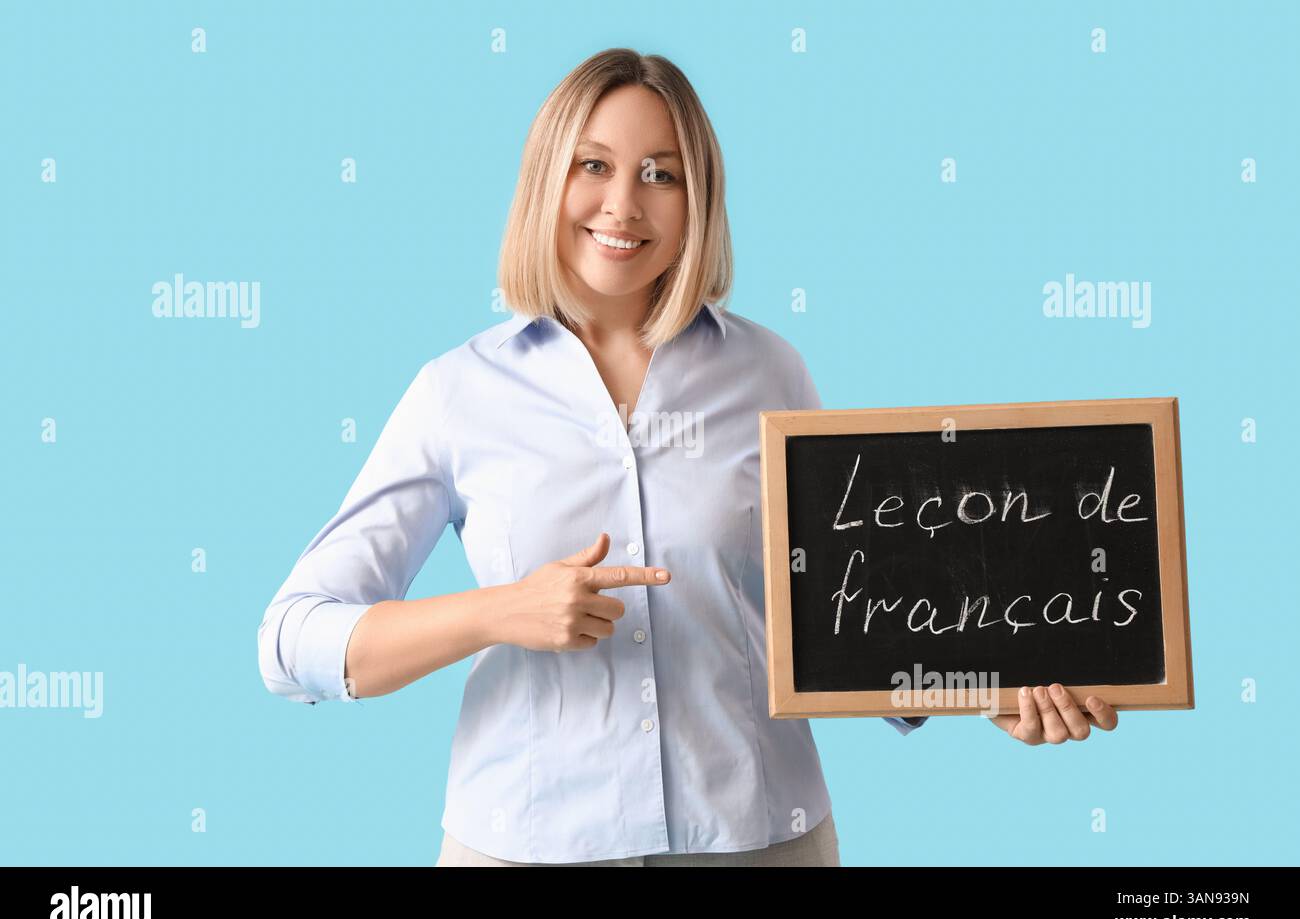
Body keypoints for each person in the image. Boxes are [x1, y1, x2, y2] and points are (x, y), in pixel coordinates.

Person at [257, 48, 1118, 868]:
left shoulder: (769, 371)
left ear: (697, 198)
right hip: (525, 845)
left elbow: (839, 623)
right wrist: (499, 612)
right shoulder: (458, 392)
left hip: (761, 841)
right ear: (543, 181)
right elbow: (294, 640)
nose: (624, 205)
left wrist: (987, 689)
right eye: (593, 166)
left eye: (660, 174)